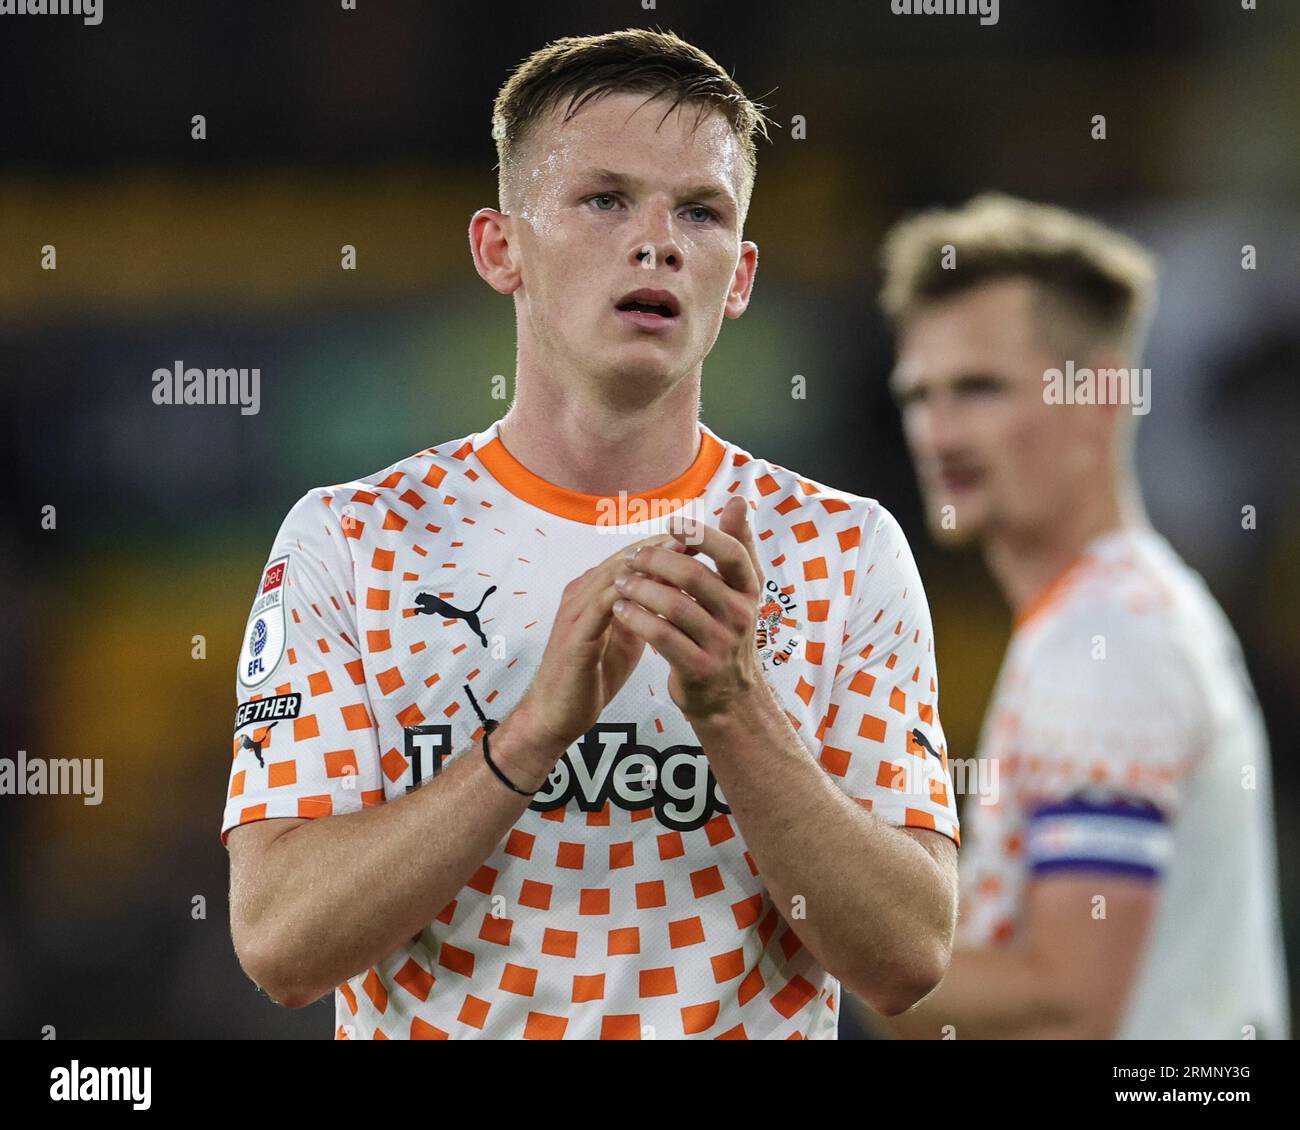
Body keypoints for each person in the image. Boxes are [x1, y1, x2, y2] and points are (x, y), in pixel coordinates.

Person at [220, 27, 959, 1041]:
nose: (656, 240)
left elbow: (908, 956)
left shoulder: (843, 546)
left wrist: (735, 710)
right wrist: (530, 733)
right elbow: (280, 943)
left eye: (698, 211)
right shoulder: (355, 537)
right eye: (605, 198)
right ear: (500, 247)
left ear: (737, 278)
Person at [875, 193, 1289, 1039]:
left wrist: (816, 940)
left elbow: (1066, 1004)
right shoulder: (1115, 615)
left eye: (979, 389)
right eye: (920, 395)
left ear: (1100, 391)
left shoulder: (1108, 644)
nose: (937, 433)